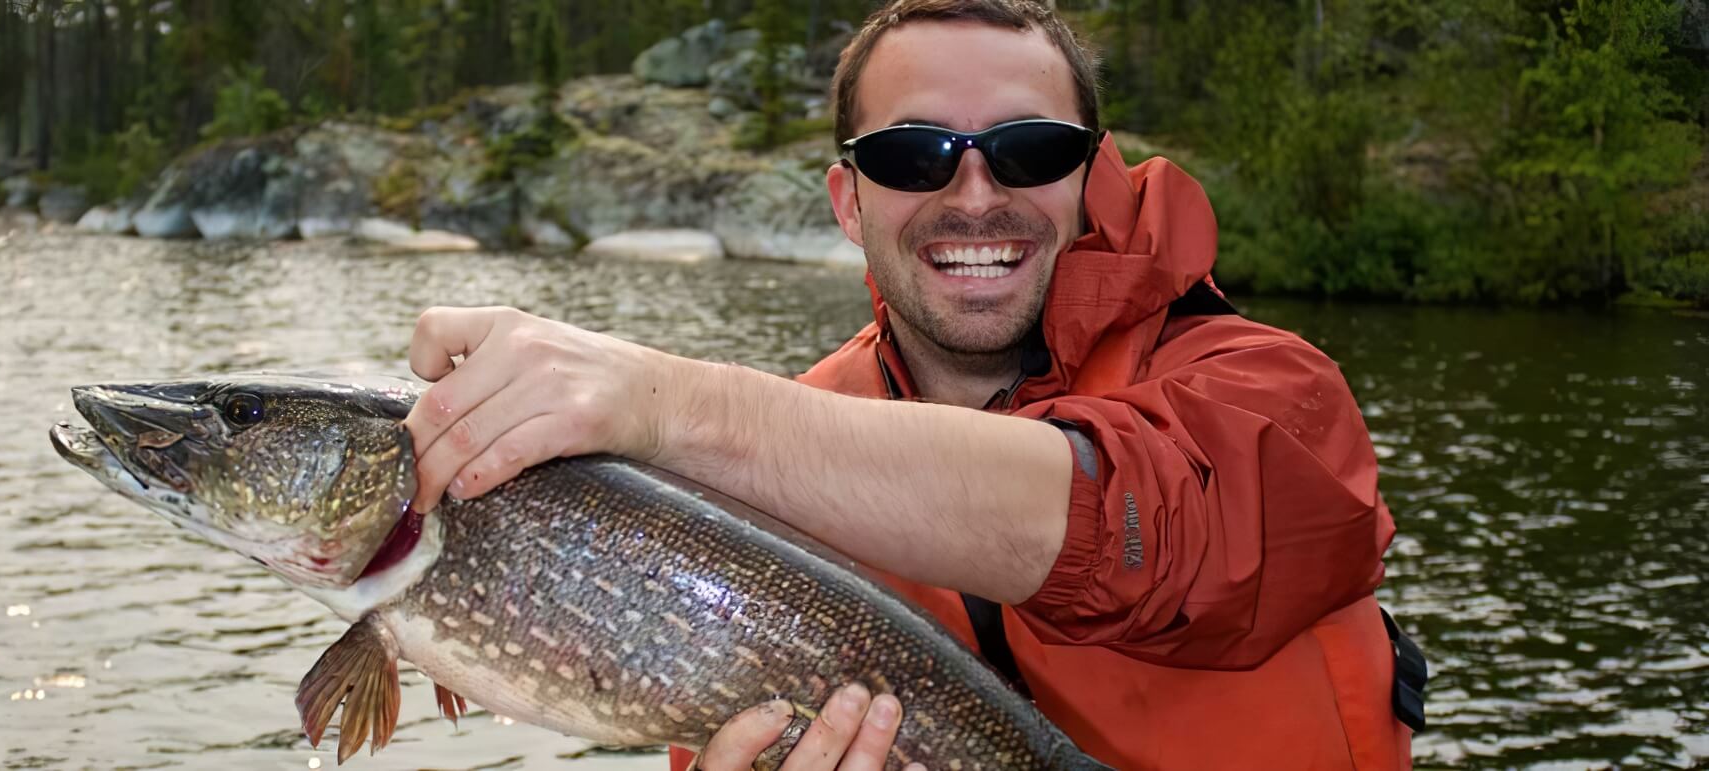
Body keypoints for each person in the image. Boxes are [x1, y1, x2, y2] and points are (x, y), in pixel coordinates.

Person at [401, 0, 1423, 768]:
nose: (976, 197)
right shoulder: (755, 485)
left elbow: (1146, 520)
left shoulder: (1273, 391)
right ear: (848, 201)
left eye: (1030, 150)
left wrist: (667, 403)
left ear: (1089, 176)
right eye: (913, 155)